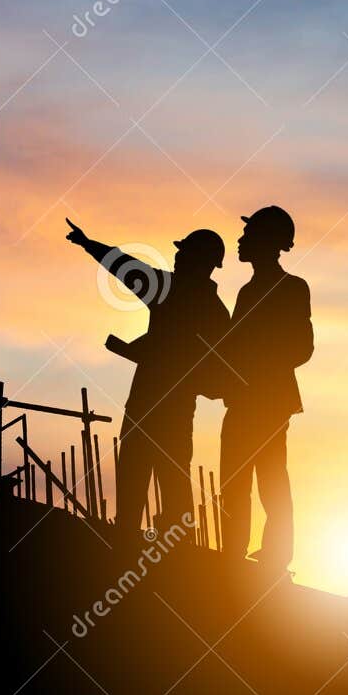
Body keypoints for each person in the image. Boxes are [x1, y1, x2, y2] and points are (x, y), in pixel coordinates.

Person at [65, 219, 229, 532]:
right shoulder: (214, 310)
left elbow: (125, 267)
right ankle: (168, 548)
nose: (177, 257)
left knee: (147, 475)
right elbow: (126, 266)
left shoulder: (174, 293)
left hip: (156, 403)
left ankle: (140, 544)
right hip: (167, 406)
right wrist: (89, 244)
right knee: (164, 476)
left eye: (184, 253)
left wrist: (89, 244)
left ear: (200, 261)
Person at [220, 206, 312, 571]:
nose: (241, 241)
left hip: (268, 403)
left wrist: (256, 367)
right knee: (234, 483)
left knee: (271, 481)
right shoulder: (246, 292)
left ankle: (275, 557)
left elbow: (301, 347)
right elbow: (231, 347)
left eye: (248, 235)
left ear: (266, 242)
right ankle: (233, 555)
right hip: (243, 401)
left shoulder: (292, 288)